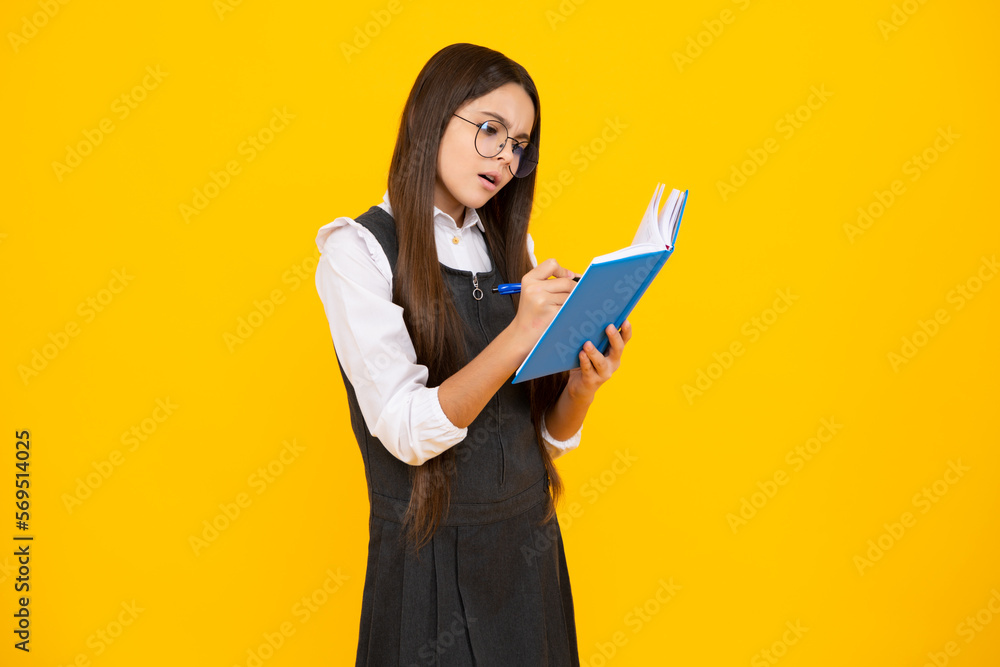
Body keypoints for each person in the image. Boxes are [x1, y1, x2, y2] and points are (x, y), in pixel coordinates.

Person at [314, 42, 632, 666]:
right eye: (490, 130)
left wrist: (582, 387)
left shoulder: (511, 244)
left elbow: (537, 433)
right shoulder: (358, 251)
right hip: (426, 558)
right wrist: (519, 333)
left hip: (526, 550)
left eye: (518, 145)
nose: (506, 159)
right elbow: (406, 430)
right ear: (431, 115)